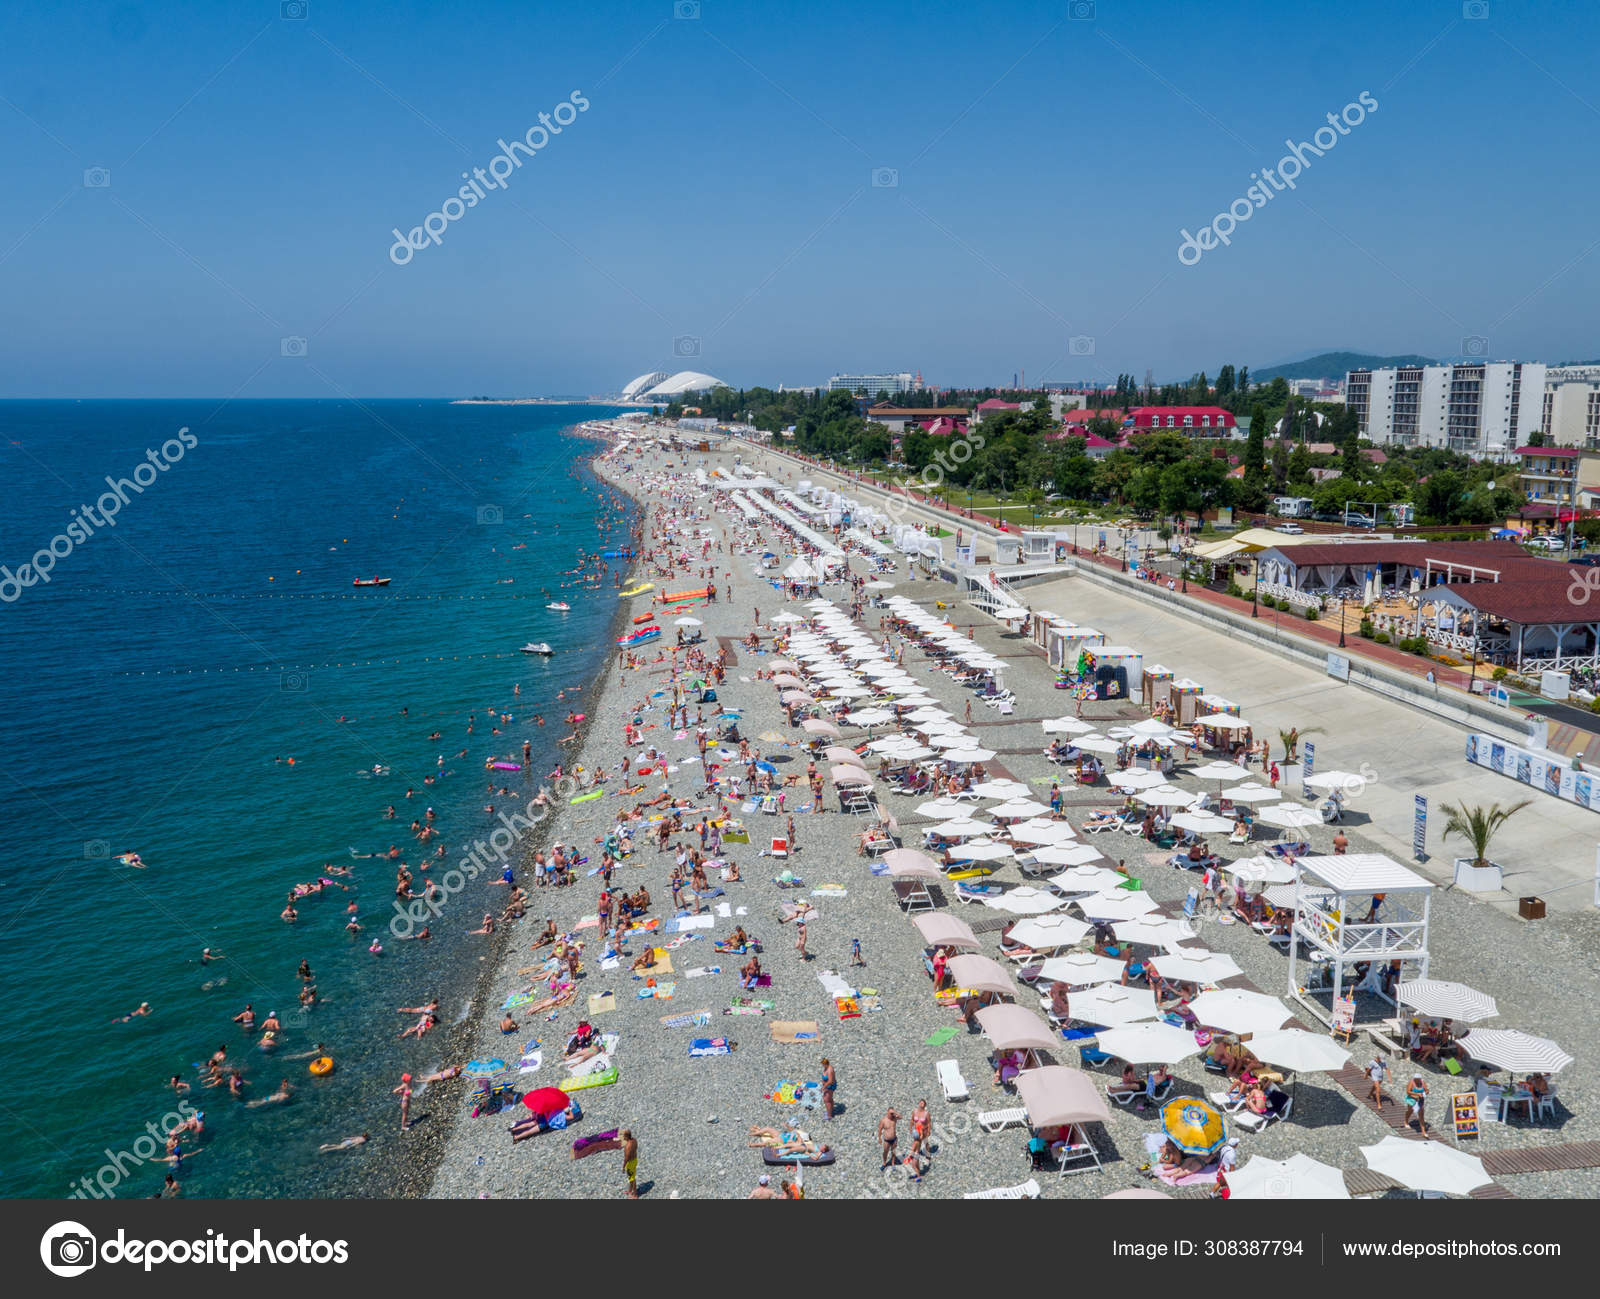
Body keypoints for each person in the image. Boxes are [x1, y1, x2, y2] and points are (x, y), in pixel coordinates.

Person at [620, 1128, 639, 1199]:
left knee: (631, 1178)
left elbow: (626, 1158)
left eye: (624, 1136)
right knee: (632, 1176)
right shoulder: (634, 1140)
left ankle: (635, 1195)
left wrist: (623, 1167)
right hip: (635, 1160)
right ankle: (630, 1190)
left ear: (627, 1137)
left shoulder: (628, 1146)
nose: (623, 1138)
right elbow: (636, 1148)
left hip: (630, 1163)